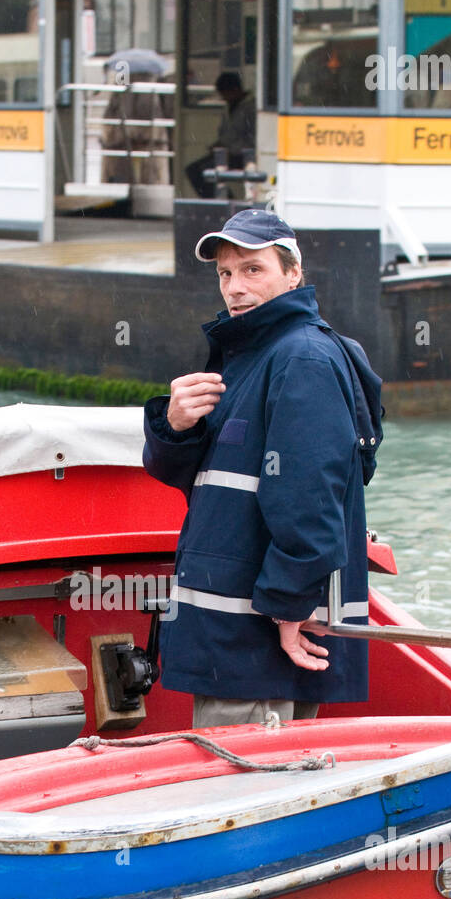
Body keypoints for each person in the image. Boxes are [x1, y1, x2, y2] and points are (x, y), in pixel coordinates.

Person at [142, 209, 383, 728]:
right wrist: (175, 425)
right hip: (239, 633)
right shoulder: (247, 355)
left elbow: (310, 495)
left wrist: (289, 607)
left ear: (293, 273)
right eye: (225, 274)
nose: (234, 287)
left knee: (240, 787)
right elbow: (204, 480)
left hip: (259, 640)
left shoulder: (302, 358)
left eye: (253, 269)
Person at [185, 72, 256, 199]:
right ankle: (219, 200)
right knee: (194, 170)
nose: (224, 98)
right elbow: (226, 134)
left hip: (242, 156)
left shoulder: (251, 108)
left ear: (235, 90)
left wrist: (232, 149)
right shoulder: (230, 107)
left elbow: (252, 139)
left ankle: (225, 201)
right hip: (226, 153)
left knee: (201, 171)